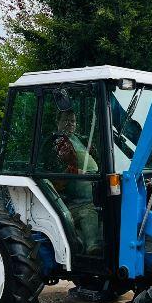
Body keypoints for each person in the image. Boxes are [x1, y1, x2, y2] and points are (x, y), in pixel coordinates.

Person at [49, 109, 102, 256]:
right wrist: (79, 173)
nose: (70, 124)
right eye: (66, 120)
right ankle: (93, 248)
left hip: (91, 192)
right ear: (57, 122)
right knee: (88, 212)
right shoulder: (58, 142)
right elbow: (58, 171)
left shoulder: (79, 140)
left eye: (72, 121)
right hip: (72, 200)